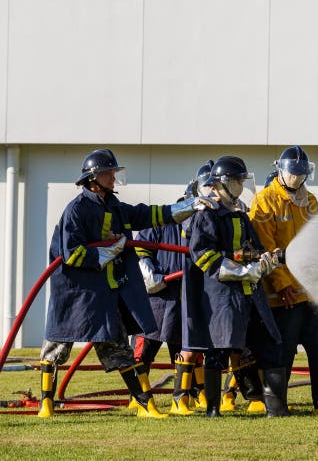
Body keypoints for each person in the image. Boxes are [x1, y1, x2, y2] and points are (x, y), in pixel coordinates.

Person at [37, 149, 216, 419]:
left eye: (113, 173)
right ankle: (46, 405)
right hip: (75, 292)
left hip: (105, 292)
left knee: (119, 349)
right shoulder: (77, 210)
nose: (113, 177)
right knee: (56, 347)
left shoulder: (114, 206)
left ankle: (145, 404)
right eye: (109, 173)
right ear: (93, 179)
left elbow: (150, 215)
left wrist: (189, 206)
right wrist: (109, 251)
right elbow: (71, 253)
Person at [249, 145, 318, 415]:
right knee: (284, 351)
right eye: (292, 174)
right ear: (280, 171)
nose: (296, 179)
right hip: (282, 298)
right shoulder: (265, 201)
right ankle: (277, 406)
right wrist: (282, 286)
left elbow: (317, 244)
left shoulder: (311, 201)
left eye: (301, 174)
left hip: (310, 293)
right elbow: (265, 251)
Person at [184, 155, 285, 417]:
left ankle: (276, 408)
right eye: (237, 181)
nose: (241, 185)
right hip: (223, 296)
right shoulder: (208, 215)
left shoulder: (240, 213)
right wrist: (244, 270)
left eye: (242, 180)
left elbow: (253, 248)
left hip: (251, 293)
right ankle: (213, 409)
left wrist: (266, 259)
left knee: (270, 344)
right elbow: (204, 256)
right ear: (222, 184)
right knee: (218, 350)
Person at [134, 160, 215, 415]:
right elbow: (140, 249)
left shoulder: (209, 221)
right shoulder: (167, 218)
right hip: (157, 296)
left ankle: (185, 397)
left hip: (186, 296)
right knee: (144, 350)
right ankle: (138, 397)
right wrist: (148, 273)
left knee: (187, 348)